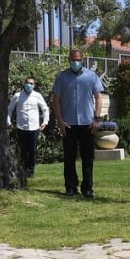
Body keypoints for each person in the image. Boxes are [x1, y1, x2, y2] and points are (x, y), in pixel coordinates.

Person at [51, 48, 105, 197]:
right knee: (69, 157)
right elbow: (56, 100)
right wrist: (60, 121)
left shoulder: (91, 76)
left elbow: (99, 97)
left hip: (87, 123)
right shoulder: (62, 77)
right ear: (69, 60)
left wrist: (96, 119)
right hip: (68, 124)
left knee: (87, 158)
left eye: (78, 60)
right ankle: (71, 187)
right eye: (73, 60)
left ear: (83, 60)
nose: (75, 62)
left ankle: (87, 188)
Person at [7, 75, 50, 177]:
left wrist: (45, 122)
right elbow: (9, 109)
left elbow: (45, 109)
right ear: (24, 84)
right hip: (21, 127)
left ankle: (30, 171)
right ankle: (23, 169)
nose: (29, 85)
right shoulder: (17, 96)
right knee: (23, 149)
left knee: (32, 150)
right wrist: (9, 122)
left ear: (34, 85)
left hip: (34, 127)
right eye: (27, 83)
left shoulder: (37, 96)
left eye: (31, 83)